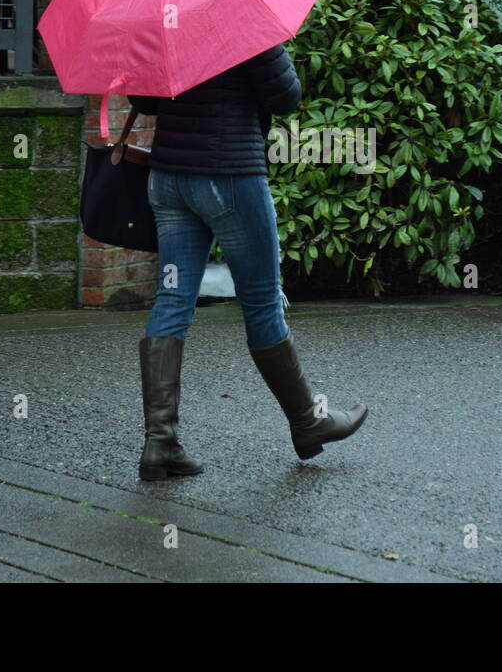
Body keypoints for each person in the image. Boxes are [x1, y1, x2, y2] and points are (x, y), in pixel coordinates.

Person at [126, 44, 368, 481]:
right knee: (260, 299)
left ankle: (159, 443)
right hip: (229, 175)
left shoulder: (162, 21)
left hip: (169, 181)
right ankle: (307, 422)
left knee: (173, 298)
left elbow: (143, 101)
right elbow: (285, 97)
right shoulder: (244, 23)